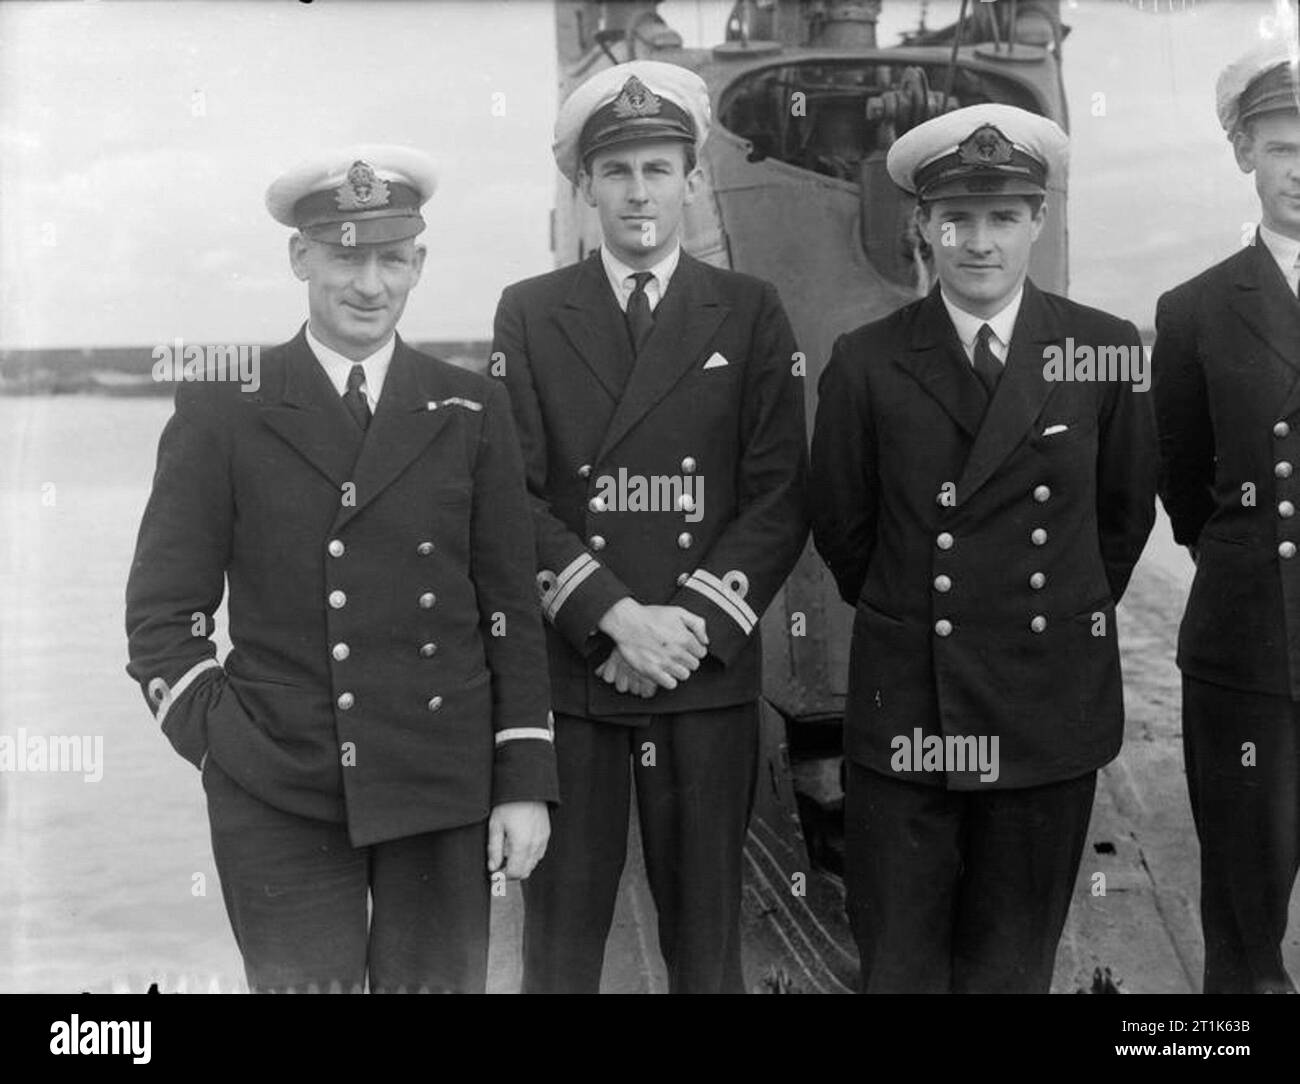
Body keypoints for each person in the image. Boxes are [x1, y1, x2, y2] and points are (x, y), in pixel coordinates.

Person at [125, 145, 557, 993]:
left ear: (419, 264)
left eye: (391, 259)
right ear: (300, 258)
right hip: (278, 785)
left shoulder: (471, 406)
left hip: (440, 782)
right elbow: (162, 618)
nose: (370, 284)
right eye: (346, 256)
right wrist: (220, 746)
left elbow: (510, 611)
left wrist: (524, 782)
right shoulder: (225, 405)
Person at [810, 104, 1156, 993]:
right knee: (902, 968)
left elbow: (1121, 522)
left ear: (1038, 221)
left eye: (1004, 217)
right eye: (956, 218)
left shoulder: (1102, 351)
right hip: (912, 715)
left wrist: (1036, 624)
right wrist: (919, 617)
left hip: (1047, 713)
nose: (979, 242)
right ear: (922, 226)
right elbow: (845, 530)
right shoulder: (868, 360)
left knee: (1011, 969)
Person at [492, 60, 809, 993]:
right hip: (578, 673)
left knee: (707, 950)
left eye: (659, 168)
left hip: (700, 674)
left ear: (691, 179)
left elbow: (780, 490)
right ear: (584, 186)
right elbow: (512, 492)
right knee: (561, 948)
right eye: (618, 170)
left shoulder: (750, 313)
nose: (639, 192)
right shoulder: (532, 312)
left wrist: (686, 629)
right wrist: (613, 618)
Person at [1152, 40, 1300, 994]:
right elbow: (1183, 478)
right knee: (1246, 916)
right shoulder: (1197, 310)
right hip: (1251, 647)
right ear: (1245, 154)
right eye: (1282, 146)